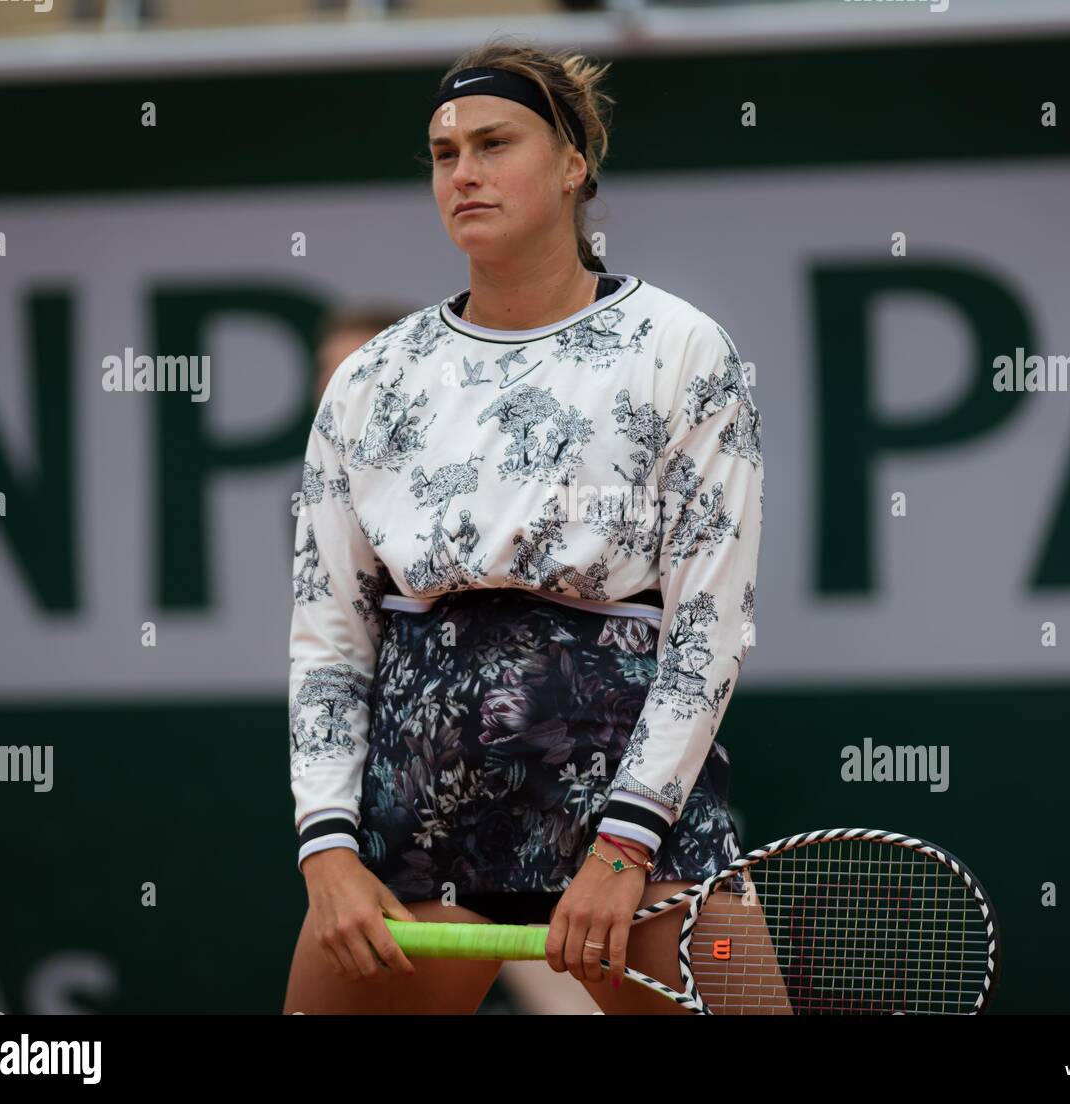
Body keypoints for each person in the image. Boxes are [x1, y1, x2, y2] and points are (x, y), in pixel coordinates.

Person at [283, 37, 765, 1015]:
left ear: (574, 163)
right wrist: (326, 850)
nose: (463, 173)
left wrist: (626, 843)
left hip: (637, 818)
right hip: (415, 823)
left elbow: (709, 624)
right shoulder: (371, 383)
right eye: (443, 152)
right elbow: (330, 637)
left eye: (494, 143)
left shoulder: (682, 348)